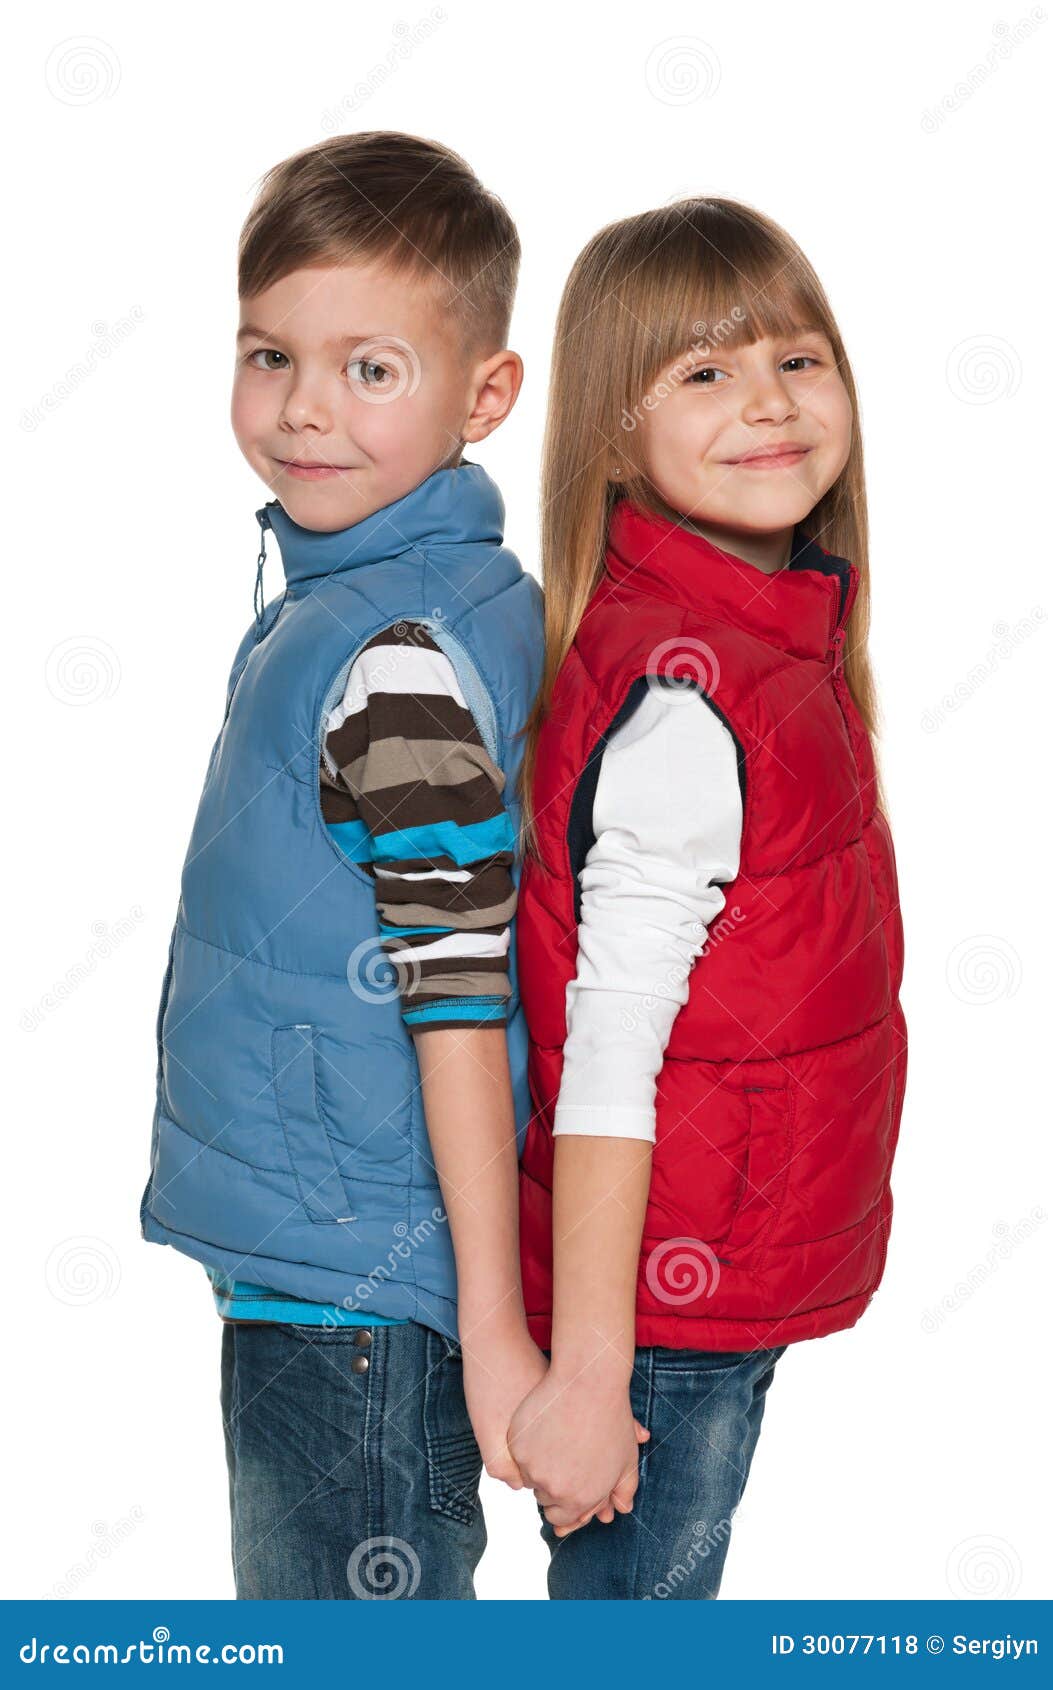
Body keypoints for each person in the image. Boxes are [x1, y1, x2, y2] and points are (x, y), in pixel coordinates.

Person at [140, 131, 547, 1599]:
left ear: (485, 394)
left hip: (360, 1288)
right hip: (338, 1263)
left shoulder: (393, 655)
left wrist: (493, 1327)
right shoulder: (401, 591)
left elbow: (456, 997)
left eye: (372, 368)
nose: (305, 410)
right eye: (270, 356)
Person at [508, 197, 908, 1600]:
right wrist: (594, 1369)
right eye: (705, 373)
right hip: (668, 1300)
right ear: (615, 435)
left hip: (708, 1271)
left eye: (797, 358)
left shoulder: (769, 637)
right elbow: (609, 1050)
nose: (769, 404)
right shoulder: (690, 694)